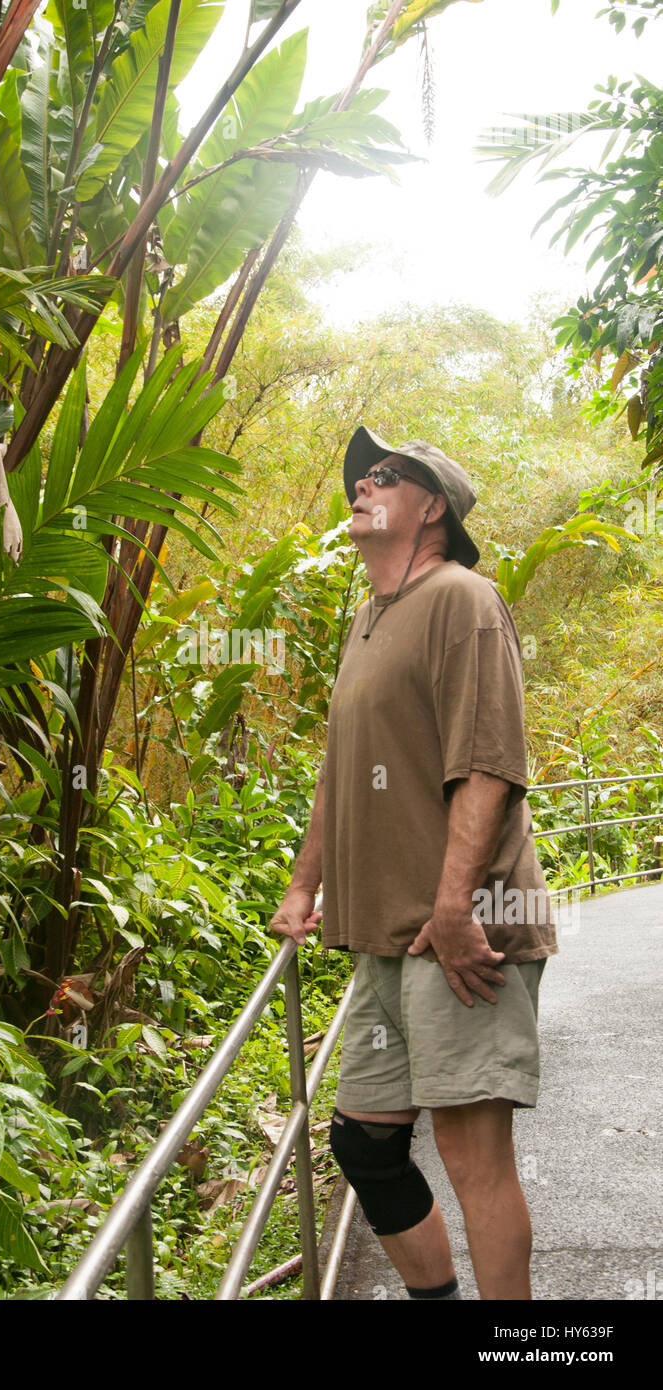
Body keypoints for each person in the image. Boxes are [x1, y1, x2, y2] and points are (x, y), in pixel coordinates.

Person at [270, 426, 558, 1301]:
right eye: (359, 475)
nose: (361, 485)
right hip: (388, 936)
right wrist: (302, 883)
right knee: (364, 1142)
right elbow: (339, 767)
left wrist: (451, 906)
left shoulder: (462, 599)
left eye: (385, 477)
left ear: (430, 507)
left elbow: (488, 766)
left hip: (462, 928)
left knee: (475, 1160)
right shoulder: (368, 620)